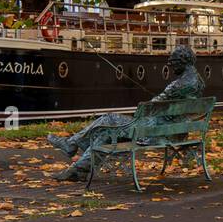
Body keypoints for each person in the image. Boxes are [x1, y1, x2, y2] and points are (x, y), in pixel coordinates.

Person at [47, 45, 206, 181]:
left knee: (109, 119)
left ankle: (72, 145)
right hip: (177, 133)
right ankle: (79, 170)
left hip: (156, 134)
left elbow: (150, 107)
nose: (171, 67)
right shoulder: (199, 81)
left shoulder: (177, 85)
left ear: (182, 62)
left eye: (173, 63)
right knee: (105, 133)